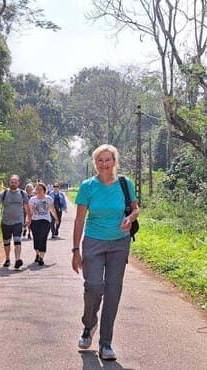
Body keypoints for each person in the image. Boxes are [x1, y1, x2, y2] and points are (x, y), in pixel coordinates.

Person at [71, 144, 139, 361]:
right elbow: (80, 219)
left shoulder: (125, 183)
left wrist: (130, 218)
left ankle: (106, 343)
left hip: (120, 243)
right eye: (100, 160)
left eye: (108, 159)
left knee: (112, 291)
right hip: (93, 242)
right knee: (93, 286)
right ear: (95, 163)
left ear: (114, 161)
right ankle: (89, 325)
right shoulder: (87, 186)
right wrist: (75, 250)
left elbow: (135, 208)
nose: (104, 164)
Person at [0, 175, 31, 269]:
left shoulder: (22, 193)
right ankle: (7, 259)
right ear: (10, 182)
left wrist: (29, 218)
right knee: (6, 242)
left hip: (18, 221)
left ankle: (17, 260)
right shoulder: (4, 193)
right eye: (12, 182)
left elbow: (27, 207)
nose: (13, 184)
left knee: (17, 240)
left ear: (18, 183)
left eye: (15, 182)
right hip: (6, 222)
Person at [28, 183, 59, 265]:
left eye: (40, 189)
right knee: (36, 239)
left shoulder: (48, 199)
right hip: (35, 221)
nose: (38, 191)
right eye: (37, 189)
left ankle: (41, 257)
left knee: (43, 237)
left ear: (44, 191)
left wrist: (56, 218)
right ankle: (37, 254)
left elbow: (52, 209)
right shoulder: (32, 199)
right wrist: (28, 220)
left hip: (45, 220)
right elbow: (29, 212)